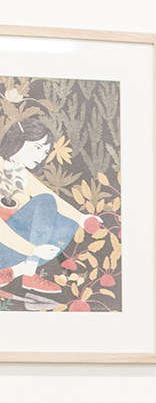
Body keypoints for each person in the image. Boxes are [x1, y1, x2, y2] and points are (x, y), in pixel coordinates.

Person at [0, 117, 93, 281]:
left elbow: (56, 201)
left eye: (44, 152)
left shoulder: (21, 173)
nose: (41, 156)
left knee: (68, 222)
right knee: (45, 201)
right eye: (37, 147)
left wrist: (82, 218)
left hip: (17, 250)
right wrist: (32, 251)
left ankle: (20, 270)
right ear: (17, 140)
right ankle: (29, 267)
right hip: (6, 245)